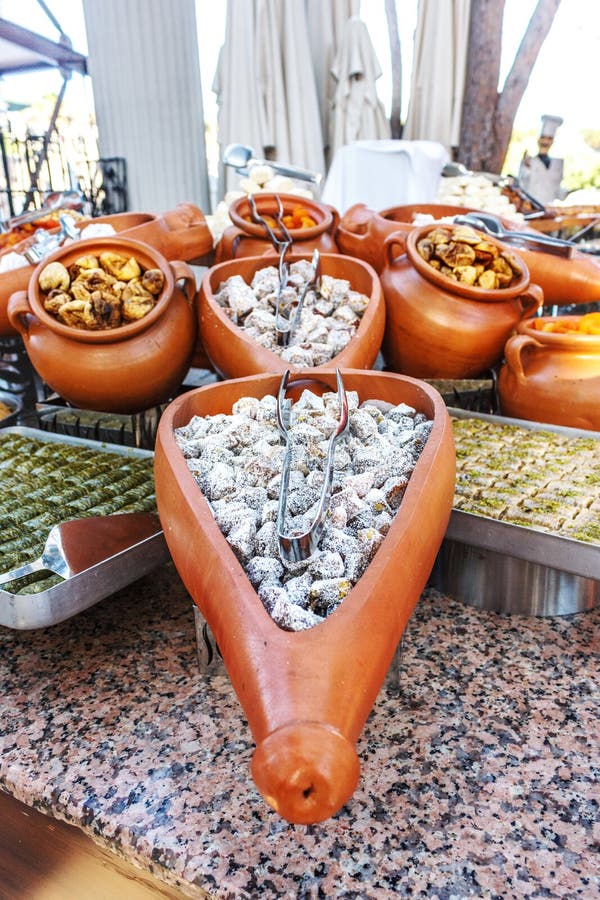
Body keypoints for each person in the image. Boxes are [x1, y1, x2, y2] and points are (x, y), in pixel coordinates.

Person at [518, 115, 564, 206]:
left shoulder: (558, 164)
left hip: (550, 208)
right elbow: (521, 183)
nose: (545, 142)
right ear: (539, 140)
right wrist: (526, 167)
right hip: (530, 206)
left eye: (549, 139)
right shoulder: (529, 161)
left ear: (552, 141)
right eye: (543, 138)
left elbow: (558, 189)